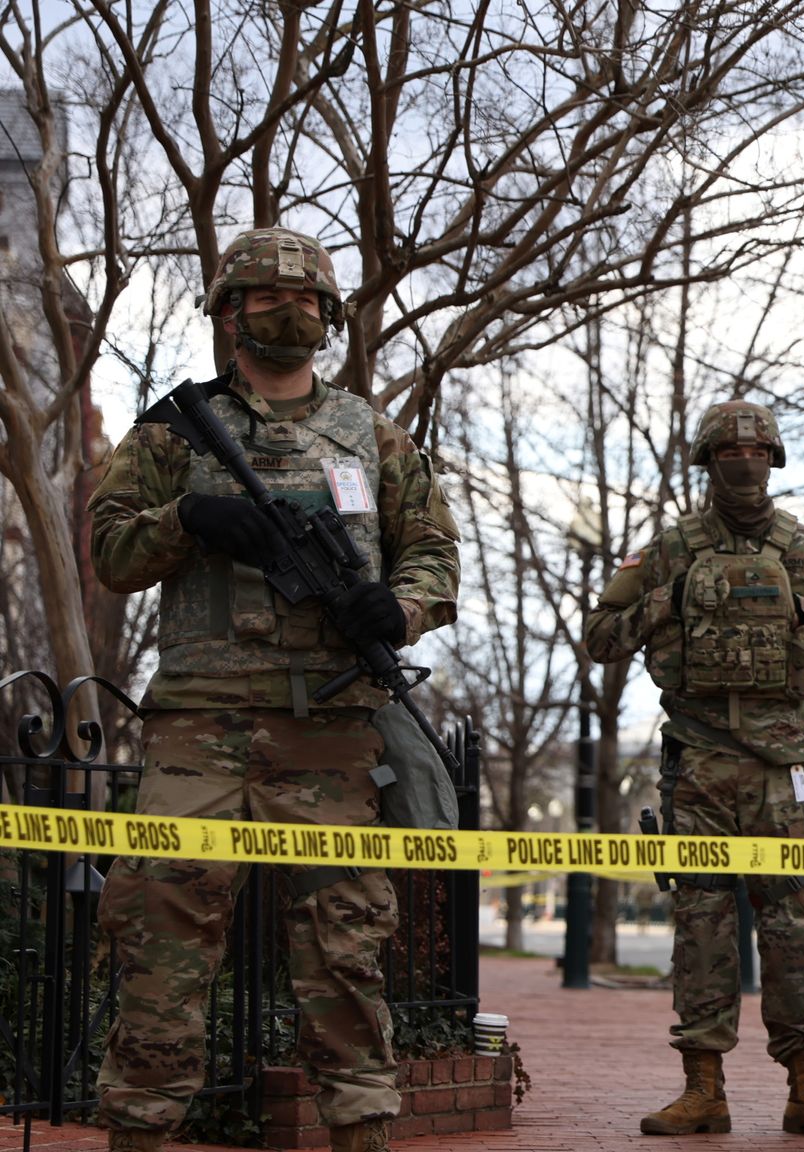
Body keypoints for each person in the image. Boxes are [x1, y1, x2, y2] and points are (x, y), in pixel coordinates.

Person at [88, 227, 461, 1152]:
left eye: (304, 302)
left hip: (331, 731)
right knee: (163, 943)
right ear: (226, 314)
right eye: (261, 299)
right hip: (199, 726)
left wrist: (399, 609)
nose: (286, 314)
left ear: (330, 318)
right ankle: (138, 1130)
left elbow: (436, 556)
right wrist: (189, 518)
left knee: (344, 949)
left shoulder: (372, 436)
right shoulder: (174, 430)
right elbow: (110, 550)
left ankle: (362, 1132)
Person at [587, 400, 804, 1139]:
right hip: (702, 765)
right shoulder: (672, 547)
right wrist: (666, 601)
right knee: (702, 928)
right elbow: (600, 637)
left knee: (790, 931)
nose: (742, 466)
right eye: (727, 455)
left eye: (755, 454)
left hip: (785, 769)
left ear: (773, 461)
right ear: (707, 464)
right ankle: (703, 1089)